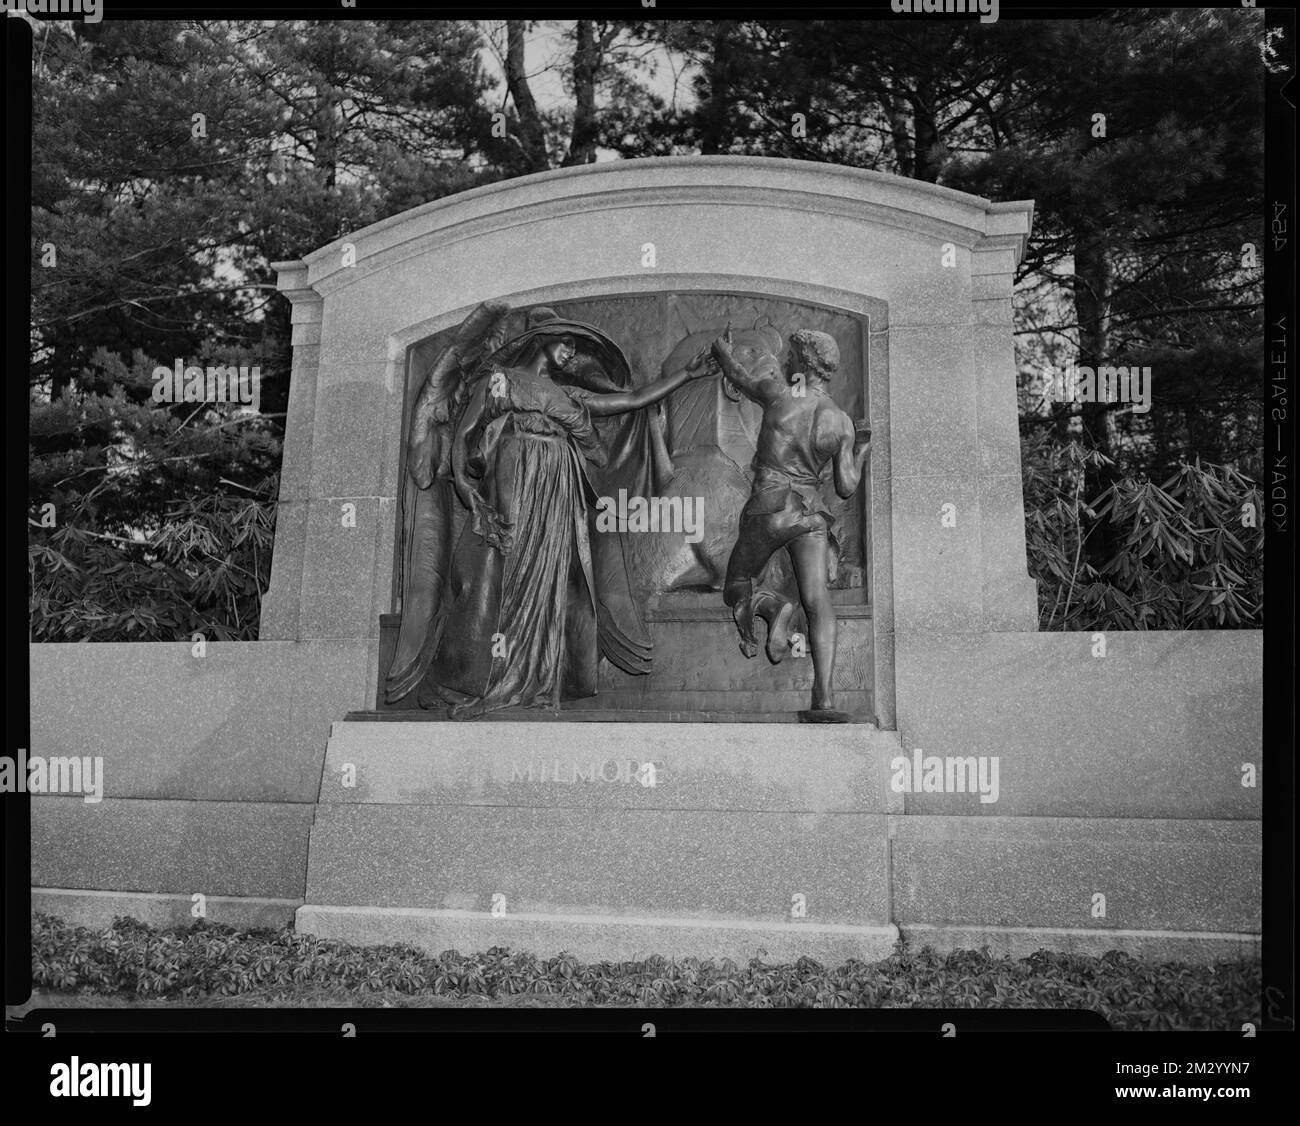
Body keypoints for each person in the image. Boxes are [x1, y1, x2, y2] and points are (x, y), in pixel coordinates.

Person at [425, 313, 711, 719]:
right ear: (543, 339)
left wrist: (686, 373)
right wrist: (466, 487)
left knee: (547, 580)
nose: (571, 351)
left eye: (575, 347)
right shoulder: (500, 381)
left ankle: (536, 675)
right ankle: (493, 677)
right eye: (566, 342)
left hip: (558, 489)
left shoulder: (568, 395)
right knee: (510, 576)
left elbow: (630, 400)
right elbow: (465, 434)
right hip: (514, 481)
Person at [709, 327, 870, 723]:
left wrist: (721, 350)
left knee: (735, 586)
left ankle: (772, 606)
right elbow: (847, 486)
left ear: (801, 363)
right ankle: (825, 696)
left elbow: (739, 377)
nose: (786, 364)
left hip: (769, 506)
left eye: (791, 359)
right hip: (811, 514)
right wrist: (862, 451)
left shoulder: (779, 394)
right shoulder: (841, 421)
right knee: (818, 601)